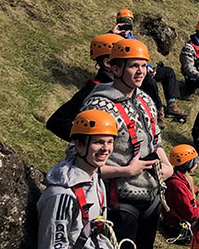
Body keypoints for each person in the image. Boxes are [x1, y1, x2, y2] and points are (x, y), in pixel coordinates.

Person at [81, 38, 174, 249]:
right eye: (133, 66)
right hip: (118, 201)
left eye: (144, 65)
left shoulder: (145, 101)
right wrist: (125, 171)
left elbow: (155, 141)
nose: (141, 72)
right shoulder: (99, 106)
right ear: (115, 68)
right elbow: (79, 162)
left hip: (151, 196)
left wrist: (167, 166)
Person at [37, 110, 117, 249]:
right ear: (79, 145)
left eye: (110, 142)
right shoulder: (62, 195)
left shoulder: (96, 181)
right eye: (98, 142)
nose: (106, 149)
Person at [111, 8, 187, 122]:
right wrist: (115, 35)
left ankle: (172, 105)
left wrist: (150, 67)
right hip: (129, 73)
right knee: (150, 82)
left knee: (168, 72)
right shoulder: (111, 37)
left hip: (142, 69)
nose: (125, 29)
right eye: (122, 25)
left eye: (128, 26)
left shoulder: (132, 39)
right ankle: (158, 110)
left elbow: (141, 57)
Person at [46, 33, 123, 141]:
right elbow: (57, 122)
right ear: (107, 63)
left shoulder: (128, 87)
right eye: (124, 60)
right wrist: (88, 142)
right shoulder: (92, 90)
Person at [161, 144, 199, 243]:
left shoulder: (179, 179)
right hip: (177, 226)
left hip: (181, 220)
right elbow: (190, 214)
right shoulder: (177, 185)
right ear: (190, 164)